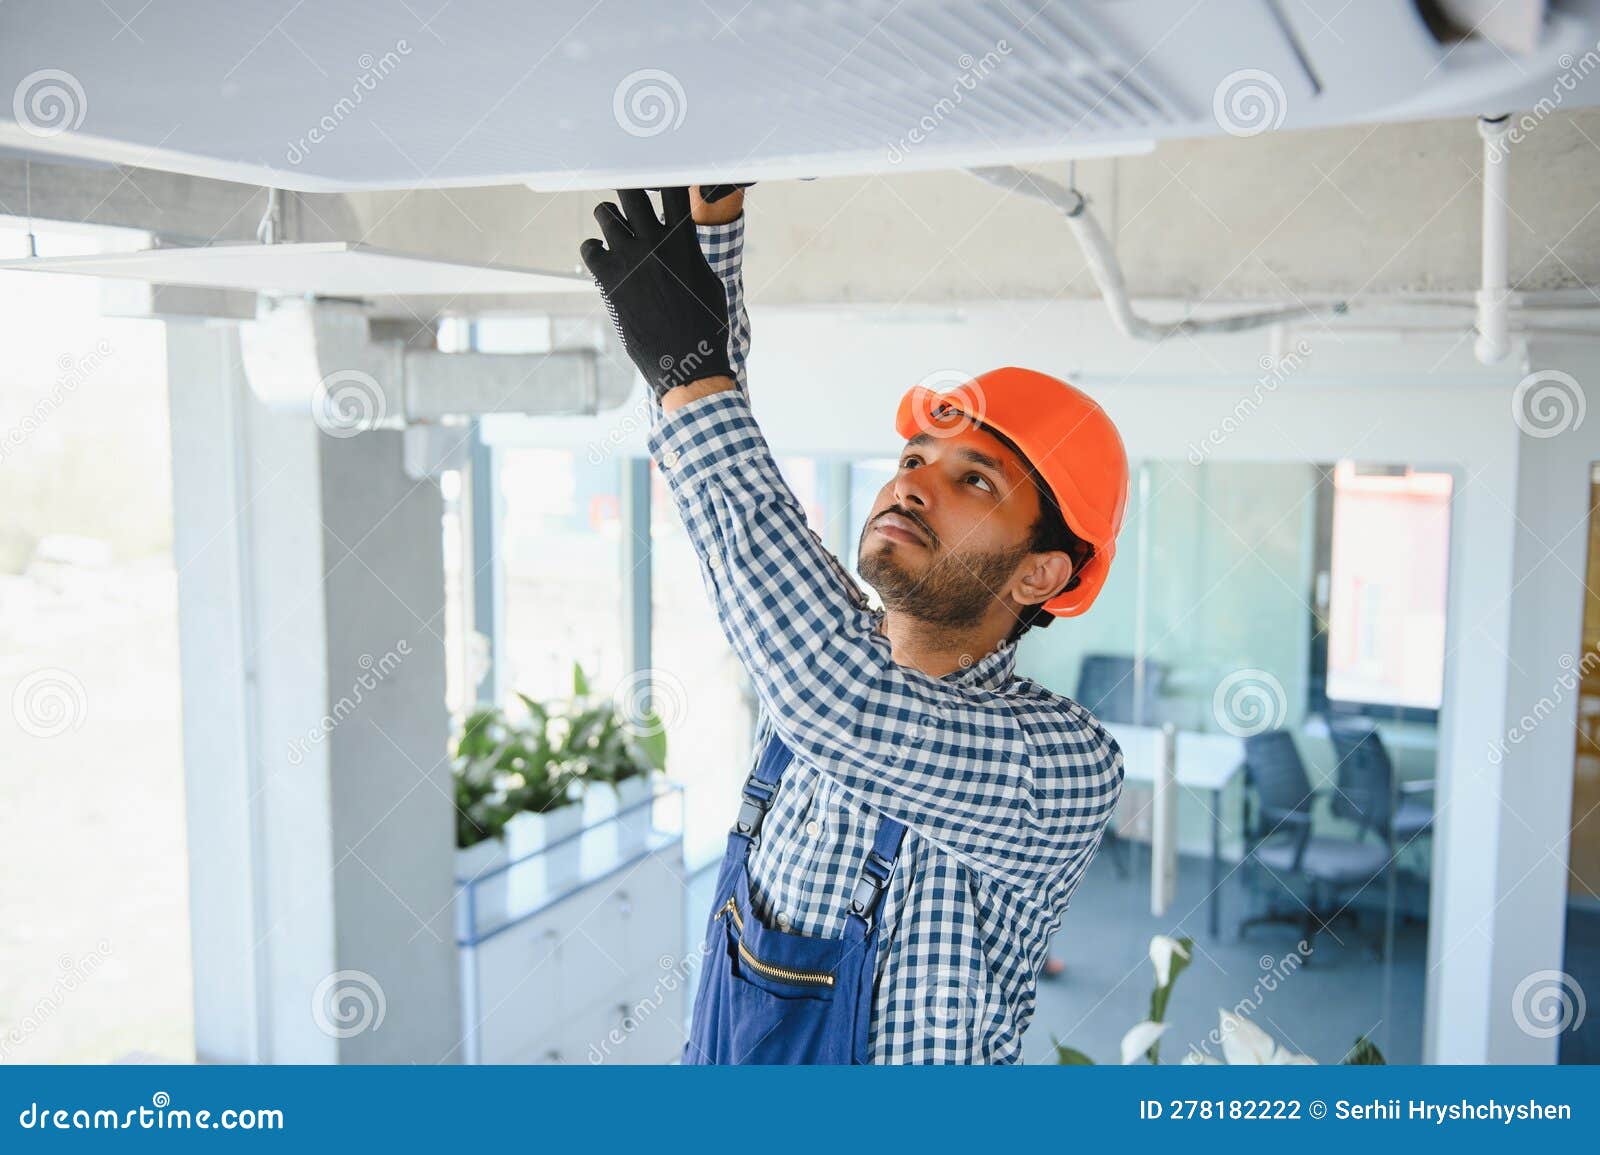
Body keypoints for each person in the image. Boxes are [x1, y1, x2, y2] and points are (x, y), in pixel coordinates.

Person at [580, 186, 1128, 1064]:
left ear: (1042, 571)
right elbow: (733, 517)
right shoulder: (827, 645)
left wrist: (690, 374)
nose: (913, 482)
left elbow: (842, 704)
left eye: (974, 480)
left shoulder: (1061, 766)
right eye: (914, 457)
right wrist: (712, 237)